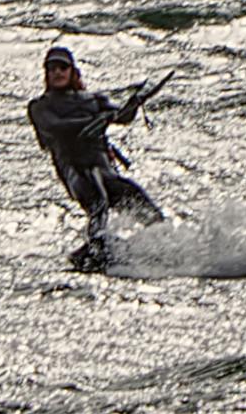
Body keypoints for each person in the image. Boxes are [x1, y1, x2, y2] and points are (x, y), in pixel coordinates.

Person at [31, 43, 167, 269]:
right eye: (52, 68)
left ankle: (166, 244)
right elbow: (55, 126)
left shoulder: (94, 100)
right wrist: (96, 121)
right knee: (98, 203)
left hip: (104, 169)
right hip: (75, 171)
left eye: (62, 68)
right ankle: (96, 248)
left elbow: (121, 117)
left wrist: (134, 104)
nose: (57, 73)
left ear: (72, 72)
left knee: (137, 200)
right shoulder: (40, 106)